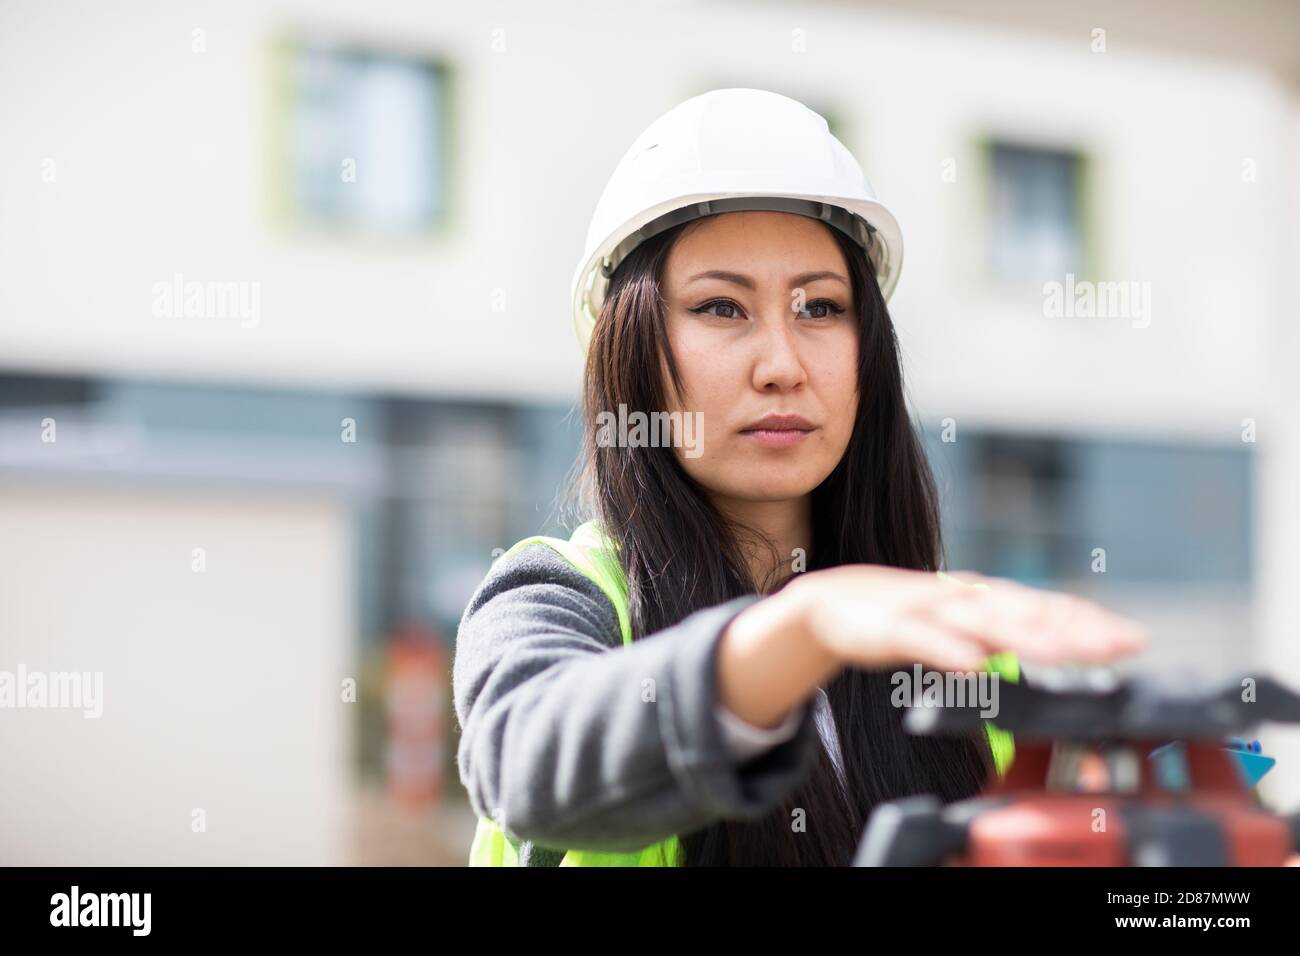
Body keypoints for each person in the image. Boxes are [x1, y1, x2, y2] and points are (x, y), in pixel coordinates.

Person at [452, 88, 1146, 866]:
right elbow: (524, 766)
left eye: (819, 308)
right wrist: (797, 632)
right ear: (632, 351)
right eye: (721, 307)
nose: (782, 365)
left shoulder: (959, 643)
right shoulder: (559, 598)